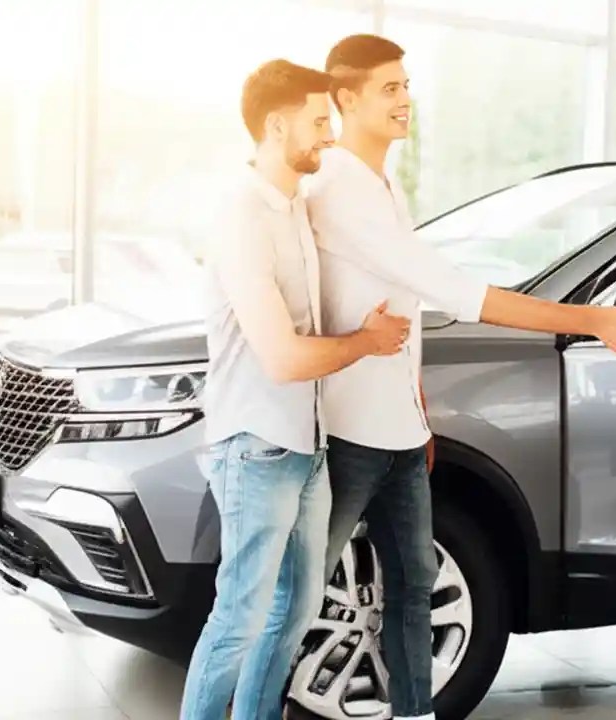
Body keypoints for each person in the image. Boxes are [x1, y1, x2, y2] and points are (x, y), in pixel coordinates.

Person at [284, 34, 616, 720]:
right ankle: (250, 705)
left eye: (406, 86)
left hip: (397, 434)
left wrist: (418, 408)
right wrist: (591, 319)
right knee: (301, 593)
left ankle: (414, 713)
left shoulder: (381, 182)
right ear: (345, 99)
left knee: (414, 584)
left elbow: (403, 307)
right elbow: (454, 291)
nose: (406, 101)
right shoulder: (339, 187)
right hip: (347, 434)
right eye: (389, 89)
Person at [179, 59, 413, 720]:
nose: (327, 136)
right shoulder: (242, 216)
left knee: (295, 608)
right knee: (239, 620)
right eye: (317, 122)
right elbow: (281, 357)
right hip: (255, 448)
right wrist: (367, 342)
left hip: (304, 447)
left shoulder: (296, 207)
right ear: (276, 126)